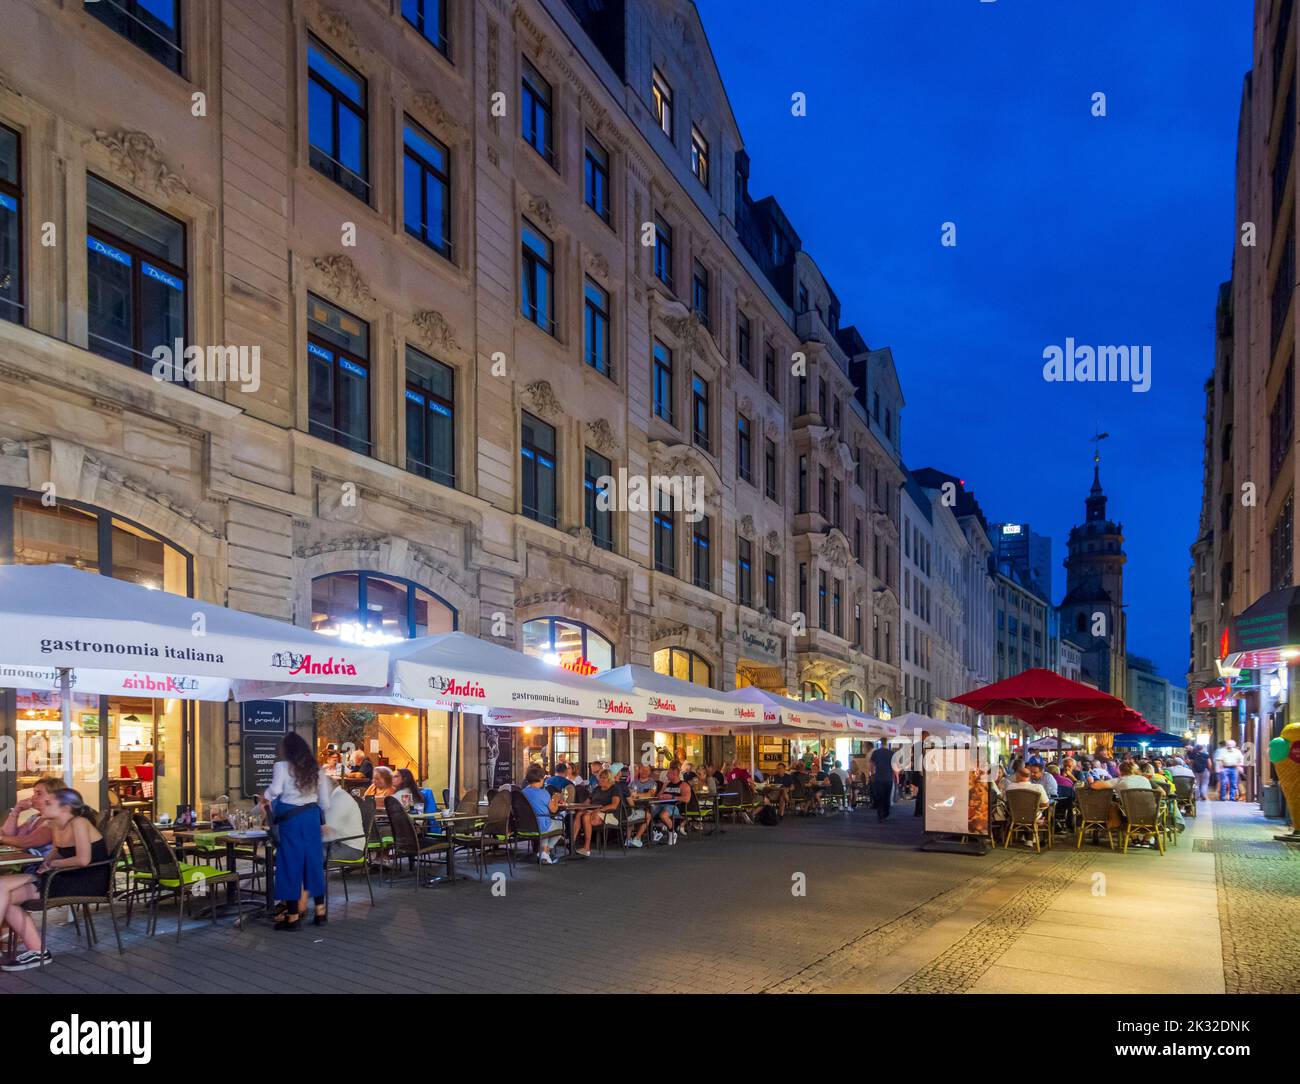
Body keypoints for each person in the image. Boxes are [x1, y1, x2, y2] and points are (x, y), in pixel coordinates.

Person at [0, 788, 110, 971]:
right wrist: (48, 862)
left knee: (5, 889)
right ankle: (38, 951)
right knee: (5, 894)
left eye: (49, 803)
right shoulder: (54, 824)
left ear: (65, 808)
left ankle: (37, 951)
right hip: (63, 876)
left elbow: (83, 860)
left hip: (86, 880)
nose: (43, 804)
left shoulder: (79, 823)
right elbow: (56, 850)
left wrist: (52, 865)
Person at [259, 732, 329, 931]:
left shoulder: (282, 766)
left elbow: (274, 790)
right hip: (312, 819)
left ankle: (292, 918)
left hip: (291, 820)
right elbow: (324, 801)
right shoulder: (317, 770)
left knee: (290, 865)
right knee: (313, 864)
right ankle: (320, 913)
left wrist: (264, 798)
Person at [0, 776, 62, 855]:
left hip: (44, 865)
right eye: (34, 793)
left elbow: (26, 842)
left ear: (55, 797)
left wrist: (1, 838)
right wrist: (16, 811)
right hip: (26, 862)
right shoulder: (35, 818)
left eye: (39, 794)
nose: (33, 797)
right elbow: (10, 835)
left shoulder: (56, 820)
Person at [520, 764, 563, 864]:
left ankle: (543, 852)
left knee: (546, 824)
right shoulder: (544, 793)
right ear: (540, 779)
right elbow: (553, 810)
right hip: (541, 825)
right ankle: (546, 852)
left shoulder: (522, 792)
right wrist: (555, 799)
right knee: (560, 825)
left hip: (525, 826)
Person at [575, 768, 621, 857]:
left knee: (585, 817)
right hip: (594, 813)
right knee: (579, 814)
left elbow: (614, 805)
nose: (600, 780)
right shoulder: (597, 789)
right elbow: (587, 802)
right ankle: (573, 843)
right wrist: (579, 807)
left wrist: (600, 810)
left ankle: (586, 848)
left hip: (610, 814)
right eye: (600, 777)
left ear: (609, 779)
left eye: (603, 778)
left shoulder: (615, 789)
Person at [652, 761, 692, 844]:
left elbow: (687, 799)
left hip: (675, 806)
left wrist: (672, 797)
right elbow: (659, 795)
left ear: (674, 774)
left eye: (668, 773)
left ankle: (672, 832)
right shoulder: (666, 784)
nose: (666, 775)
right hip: (662, 804)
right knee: (648, 813)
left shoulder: (684, 785)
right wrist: (661, 796)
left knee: (663, 815)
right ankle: (656, 830)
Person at [623, 763, 658, 847]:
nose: (644, 772)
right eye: (642, 770)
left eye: (647, 770)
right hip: (634, 806)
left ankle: (637, 838)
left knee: (645, 814)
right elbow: (628, 794)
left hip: (648, 807)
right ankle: (628, 839)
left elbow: (650, 794)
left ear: (650, 772)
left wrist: (637, 795)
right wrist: (643, 794)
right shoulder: (633, 782)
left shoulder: (653, 783)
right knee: (631, 812)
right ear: (639, 770)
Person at [868, 741, 897, 822]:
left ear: (880, 743)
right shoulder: (891, 753)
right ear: (887, 743)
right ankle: (886, 814)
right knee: (887, 797)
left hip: (878, 778)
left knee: (879, 797)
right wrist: (896, 777)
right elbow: (894, 766)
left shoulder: (876, 752)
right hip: (888, 778)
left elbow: (871, 765)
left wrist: (871, 774)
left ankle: (880, 815)